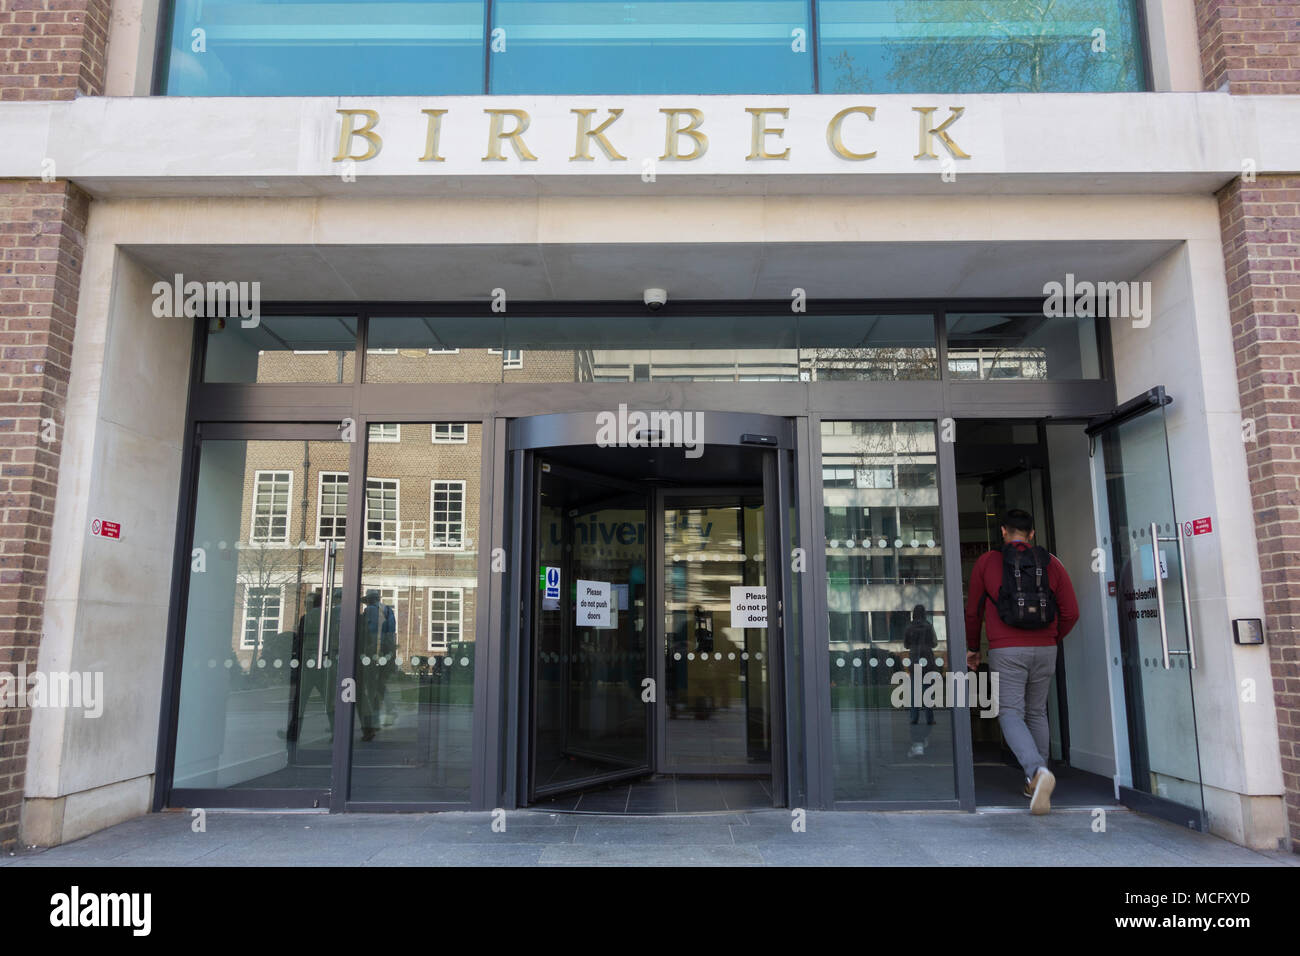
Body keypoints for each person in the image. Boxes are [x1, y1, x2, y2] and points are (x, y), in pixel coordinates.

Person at [965, 508, 1079, 814]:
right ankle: (1037, 780)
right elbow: (1071, 612)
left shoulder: (988, 562)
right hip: (1045, 647)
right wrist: (1051, 639)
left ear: (1003, 531)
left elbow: (973, 611)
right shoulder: (1051, 563)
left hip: (1006, 649)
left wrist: (973, 648)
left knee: (1010, 713)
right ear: (1032, 534)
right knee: (1037, 712)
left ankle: (1037, 772)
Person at [903, 604, 938, 757]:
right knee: (928, 689)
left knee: (915, 689)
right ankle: (930, 717)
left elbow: (905, 644)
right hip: (927, 658)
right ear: (924, 614)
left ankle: (914, 716)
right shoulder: (929, 626)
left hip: (914, 658)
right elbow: (935, 643)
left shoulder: (909, 627)